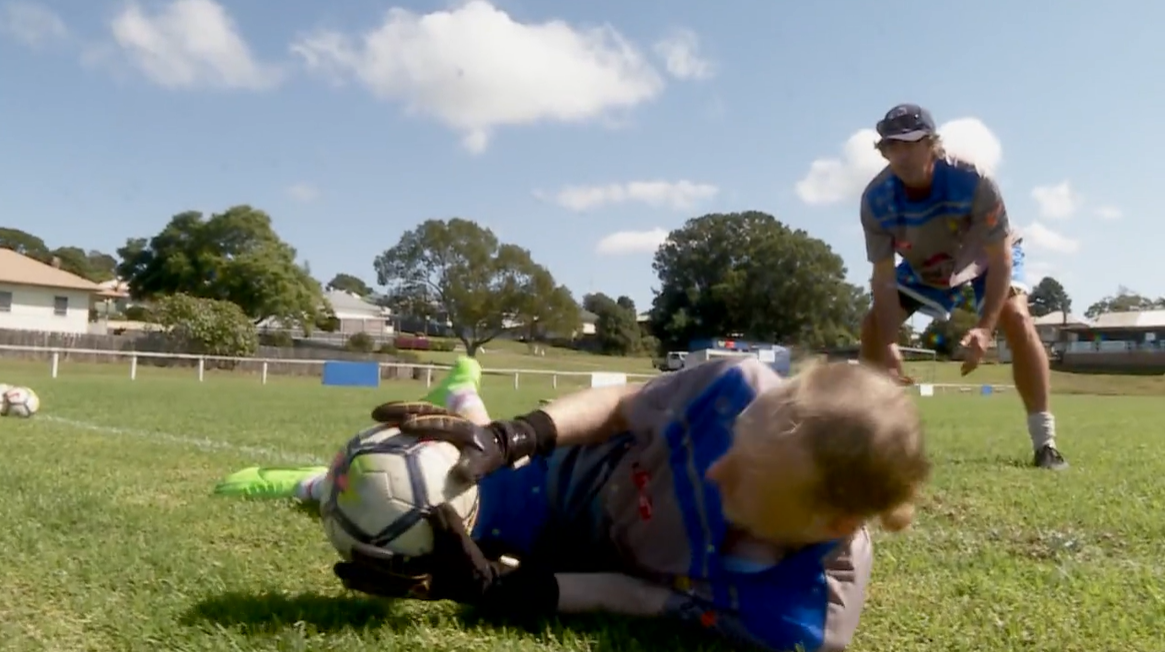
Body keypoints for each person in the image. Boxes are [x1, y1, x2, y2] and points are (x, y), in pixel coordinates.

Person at [216, 356, 931, 652]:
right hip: (573, 478)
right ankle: (316, 480)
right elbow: (622, 407)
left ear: (831, 524)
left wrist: (505, 589)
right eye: (728, 451)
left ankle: (464, 391)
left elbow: (641, 598)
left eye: (745, 486)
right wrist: (515, 435)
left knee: (446, 523)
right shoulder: (735, 389)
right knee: (418, 491)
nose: (715, 478)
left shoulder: (798, 620)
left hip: (596, 551)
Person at [858, 102, 1067, 471]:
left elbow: (1001, 257)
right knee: (873, 327)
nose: (902, 155)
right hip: (928, 264)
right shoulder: (875, 200)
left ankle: (1045, 443)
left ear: (932, 144)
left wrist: (985, 328)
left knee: (1017, 318)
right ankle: (867, 441)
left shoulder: (974, 180)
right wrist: (890, 341)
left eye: (911, 143)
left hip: (986, 256)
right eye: (892, 146)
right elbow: (883, 278)